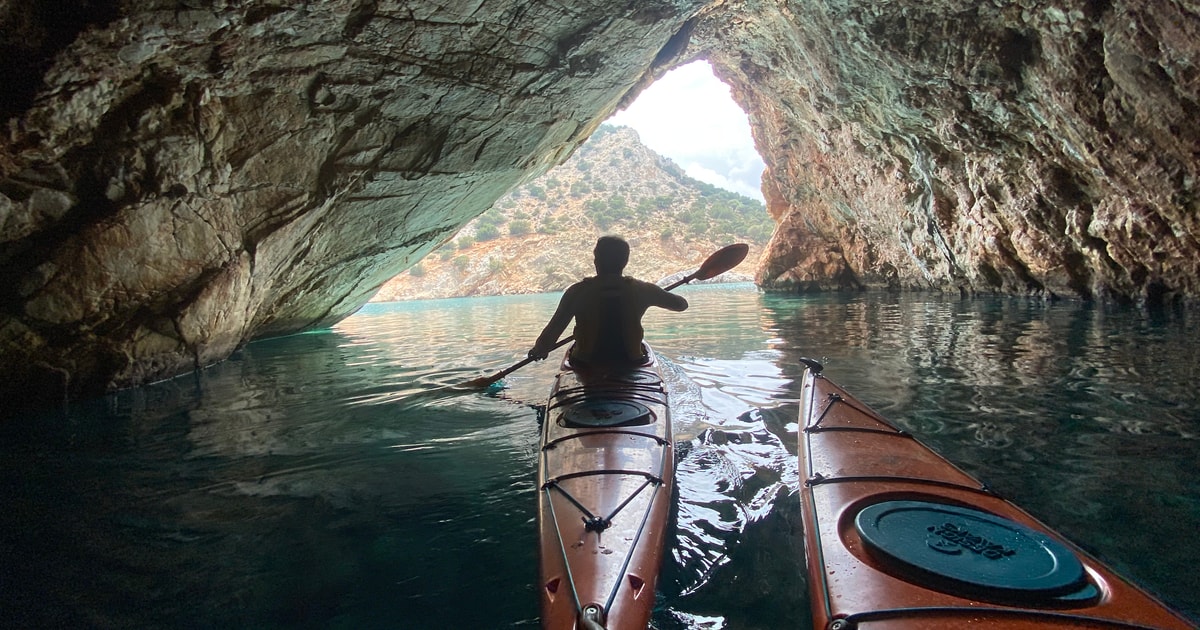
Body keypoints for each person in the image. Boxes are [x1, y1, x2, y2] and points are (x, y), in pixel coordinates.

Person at [528, 236, 688, 365]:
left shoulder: (577, 292)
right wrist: (657, 293)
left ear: (596, 260)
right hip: (631, 362)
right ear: (625, 262)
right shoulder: (643, 289)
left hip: (586, 363)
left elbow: (549, 337)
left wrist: (539, 349)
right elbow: (681, 305)